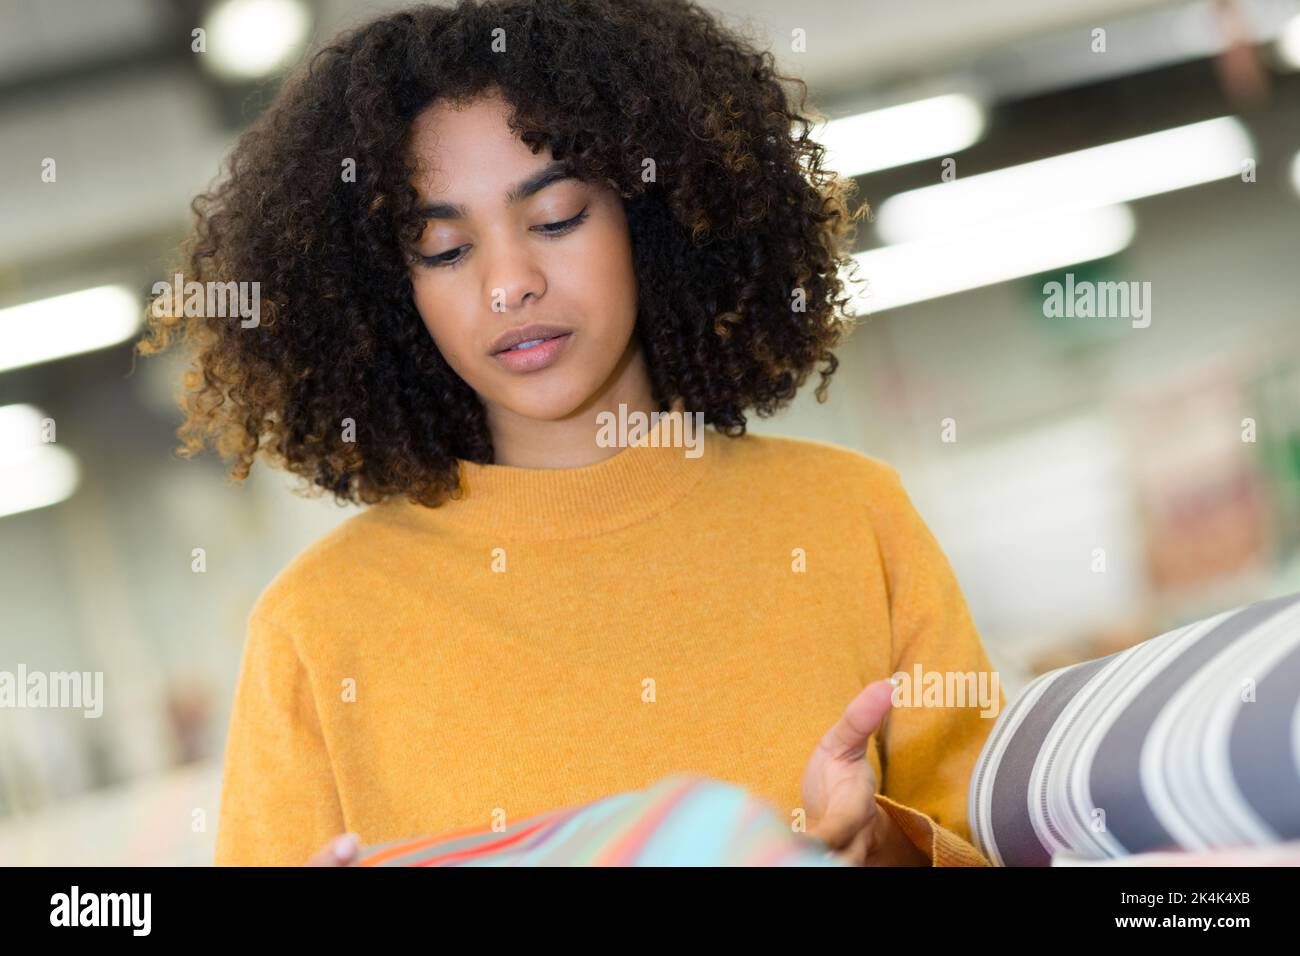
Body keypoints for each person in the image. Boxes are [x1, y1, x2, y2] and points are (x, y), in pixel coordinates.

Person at [138, 0, 1001, 867]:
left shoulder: (851, 518)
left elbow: (1003, 844)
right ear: (389, 290)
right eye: (443, 248)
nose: (509, 283)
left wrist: (884, 846)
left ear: (652, 216)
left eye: (554, 218)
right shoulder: (316, 629)